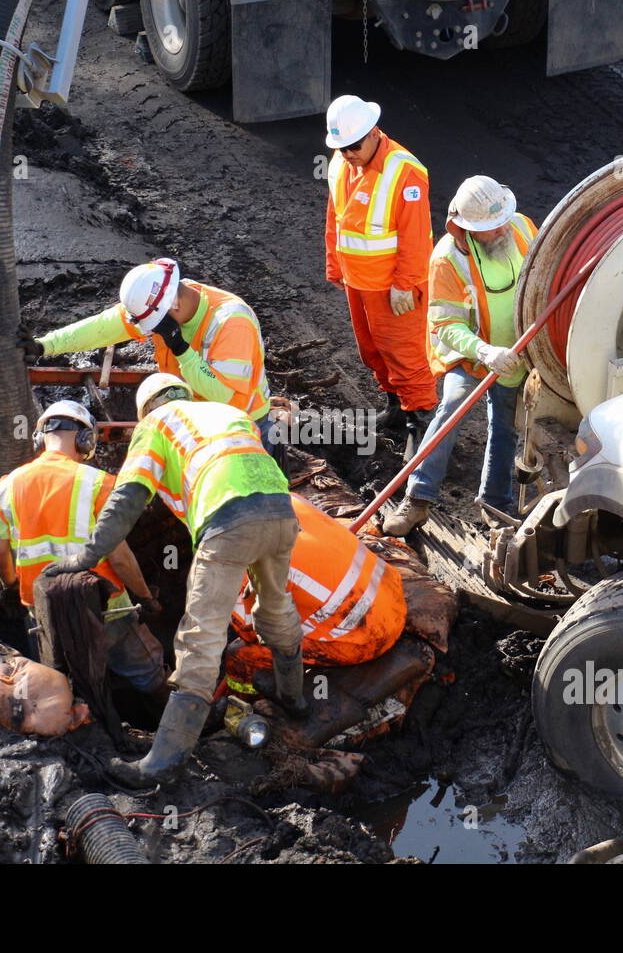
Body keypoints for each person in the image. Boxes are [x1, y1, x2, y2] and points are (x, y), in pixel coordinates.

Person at [44, 374, 304, 786]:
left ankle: (162, 764)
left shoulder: (156, 425)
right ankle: (295, 698)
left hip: (228, 521)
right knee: (275, 606)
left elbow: (129, 497)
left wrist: (89, 555)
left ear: (146, 407)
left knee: (199, 640)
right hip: (281, 513)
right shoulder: (226, 412)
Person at [384, 176, 539, 536]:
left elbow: (544, 273)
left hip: (517, 353)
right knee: (451, 409)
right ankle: (417, 499)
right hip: (472, 354)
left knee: (504, 426)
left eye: (502, 221)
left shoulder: (520, 226)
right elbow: (447, 326)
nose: (501, 230)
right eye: (490, 227)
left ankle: (494, 504)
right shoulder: (446, 261)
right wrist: (485, 351)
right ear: (467, 229)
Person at [0, 400, 167, 704]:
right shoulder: (98, 483)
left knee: (58, 685)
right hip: (104, 607)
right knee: (148, 672)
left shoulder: (8, 485)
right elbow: (120, 558)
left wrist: (10, 587)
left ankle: (73, 735)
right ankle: (179, 729)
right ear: (86, 439)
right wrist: (146, 598)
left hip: (44, 609)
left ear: (40, 437)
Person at [18, 258, 275, 442]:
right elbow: (103, 327)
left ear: (172, 307)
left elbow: (224, 396)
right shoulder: (164, 302)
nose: (150, 330)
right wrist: (46, 345)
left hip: (242, 428)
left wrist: (181, 349)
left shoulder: (231, 323)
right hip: (198, 418)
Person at [323, 95, 437, 442]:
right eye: (341, 147)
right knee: (372, 350)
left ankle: (422, 424)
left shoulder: (405, 172)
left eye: (353, 146)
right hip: (358, 282)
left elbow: (416, 237)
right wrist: (334, 264)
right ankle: (396, 408)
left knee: (406, 356)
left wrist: (405, 284)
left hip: (393, 289)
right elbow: (336, 216)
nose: (347, 154)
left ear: (374, 133)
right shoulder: (343, 163)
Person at [223, 493, 406, 699]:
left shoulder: (242, 560)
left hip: (368, 635)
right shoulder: (287, 498)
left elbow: (251, 633)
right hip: (390, 591)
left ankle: (239, 702)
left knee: (240, 655)